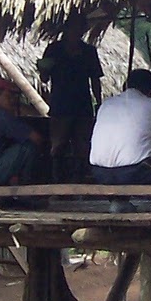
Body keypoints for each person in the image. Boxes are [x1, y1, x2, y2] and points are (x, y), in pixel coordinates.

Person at [89, 68, 151, 184]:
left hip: (100, 173)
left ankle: (120, 198)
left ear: (126, 85)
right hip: (133, 173)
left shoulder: (106, 105)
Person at [37, 16, 104, 182]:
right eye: (73, 28)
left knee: (83, 144)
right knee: (58, 143)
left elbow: (95, 79)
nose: (77, 32)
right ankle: (57, 179)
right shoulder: (53, 50)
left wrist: (99, 102)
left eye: (80, 28)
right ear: (65, 30)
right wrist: (43, 69)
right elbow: (44, 78)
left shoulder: (89, 51)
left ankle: (80, 179)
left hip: (83, 104)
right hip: (61, 105)